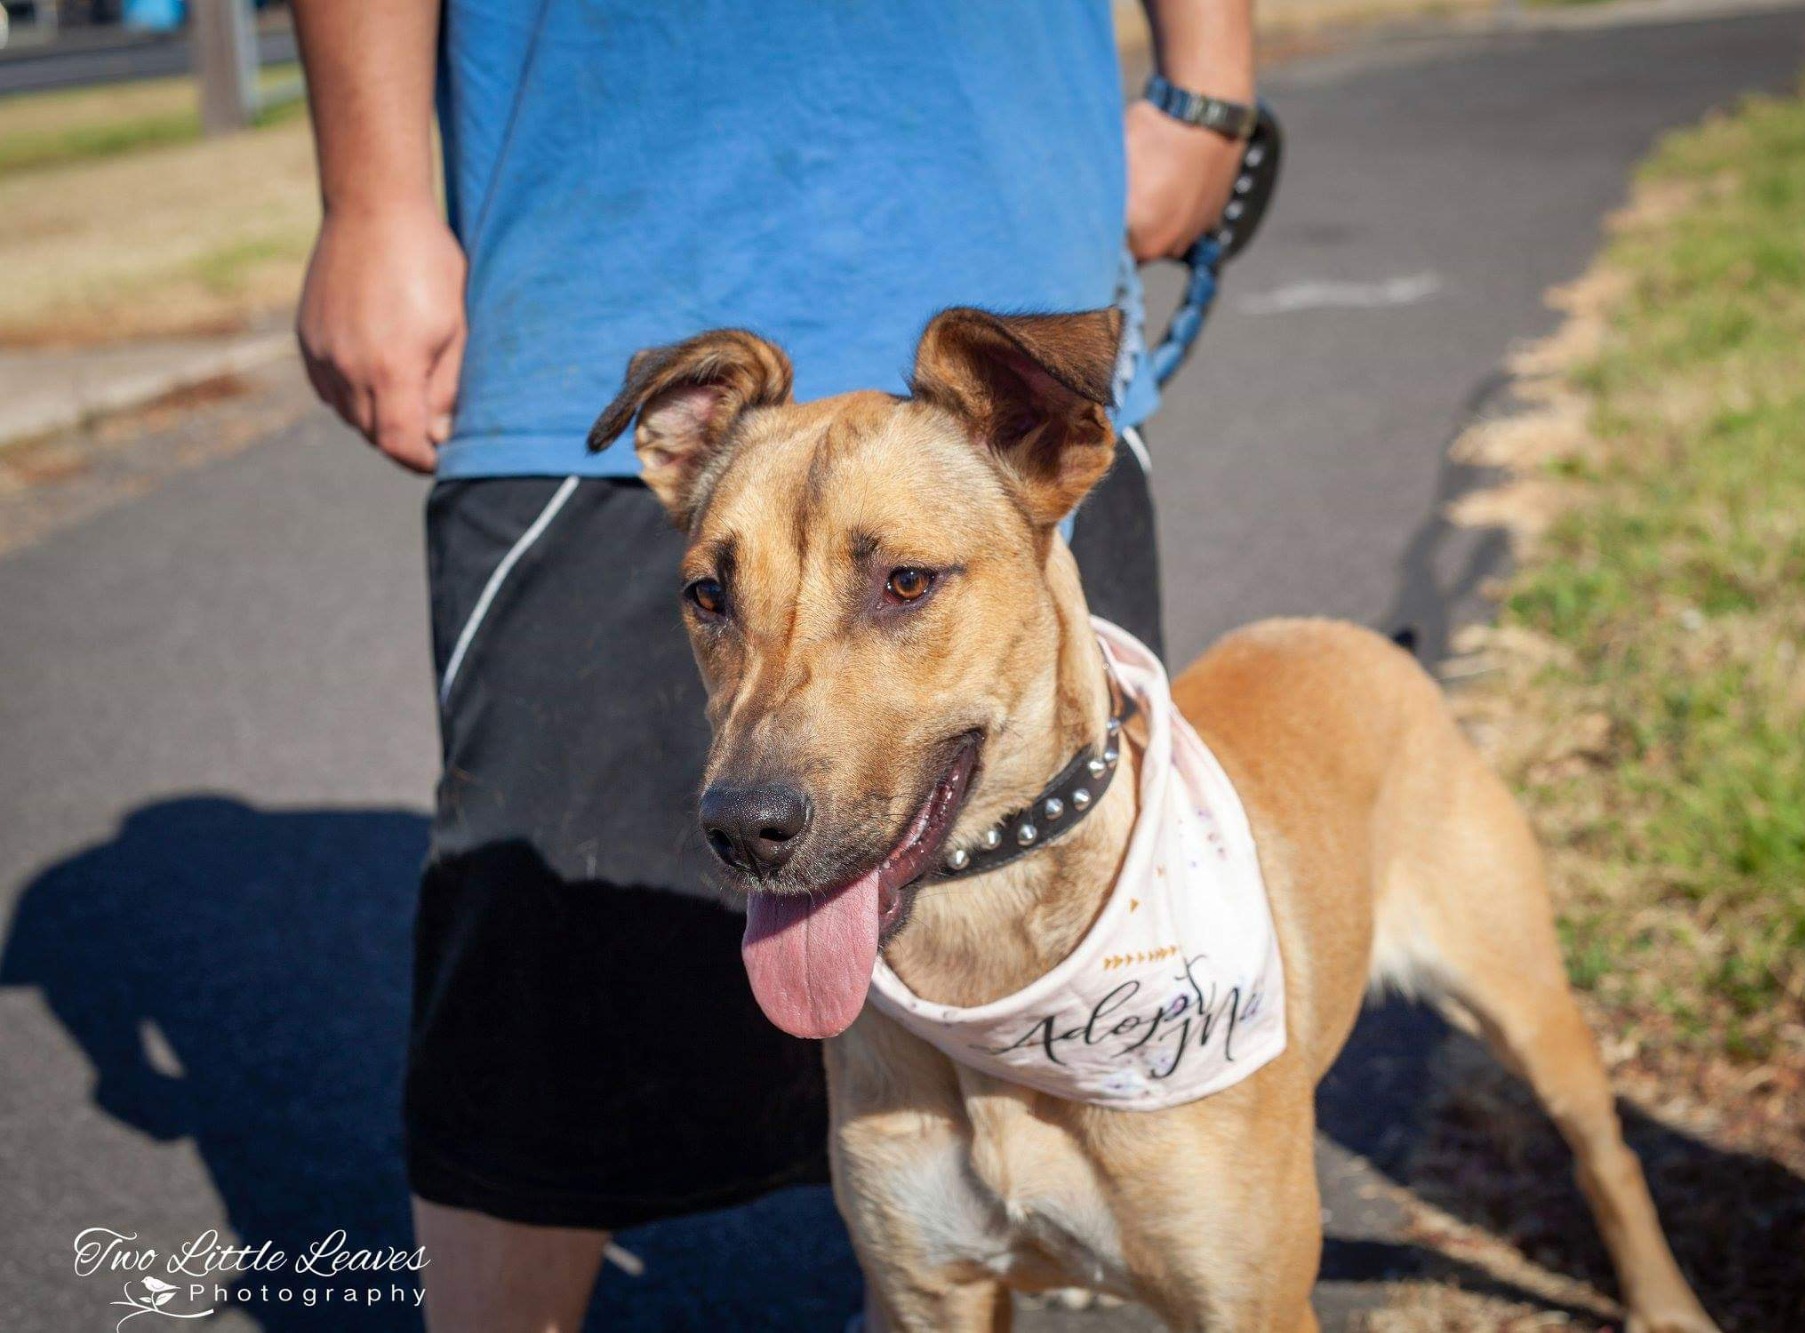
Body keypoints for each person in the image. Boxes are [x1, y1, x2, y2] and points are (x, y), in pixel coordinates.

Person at [291, 2, 1254, 1328]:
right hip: (593, 242)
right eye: (716, 603)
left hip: (1022, 201)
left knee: (1066, 1004)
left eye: (901, 589)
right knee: (536, 1021)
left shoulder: (1026, 420)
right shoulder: (678, 439)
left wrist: (1209, 83)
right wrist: (373, 197)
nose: (749, 781)